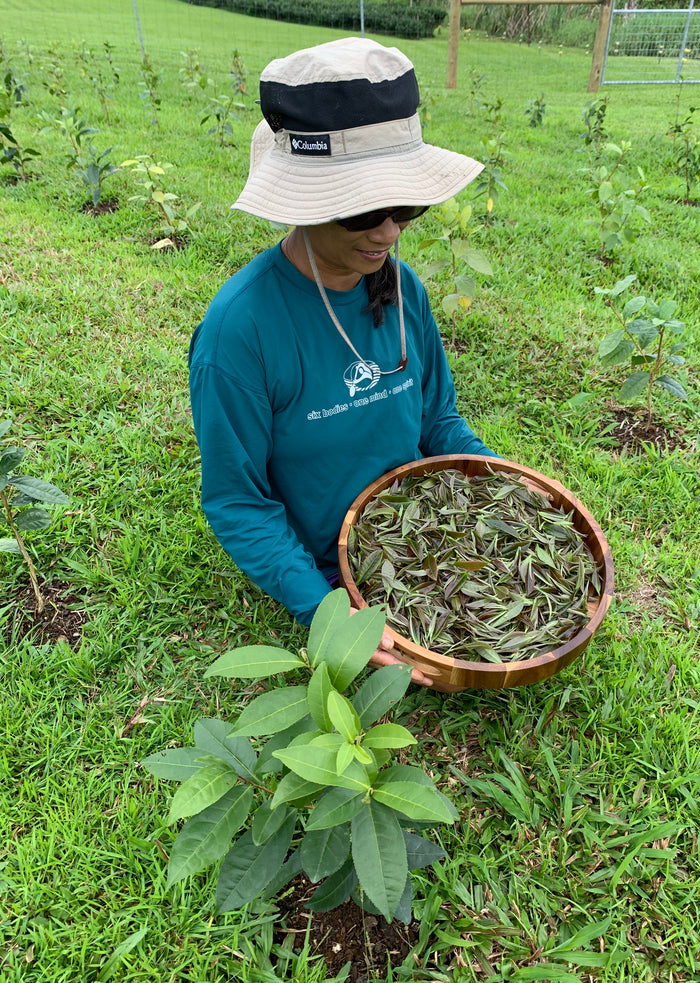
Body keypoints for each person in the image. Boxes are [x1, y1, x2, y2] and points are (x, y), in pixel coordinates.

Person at [189, 37, 496, 678]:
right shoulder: (240, 331)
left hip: (413, 533)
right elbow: (236, 502)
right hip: (331, 562)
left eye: (405, 209)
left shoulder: (402, 287)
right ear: (308, 205)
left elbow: (439, 421)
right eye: (364, 212)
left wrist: (498, 487)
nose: (389, 233)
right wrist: (330, 613)